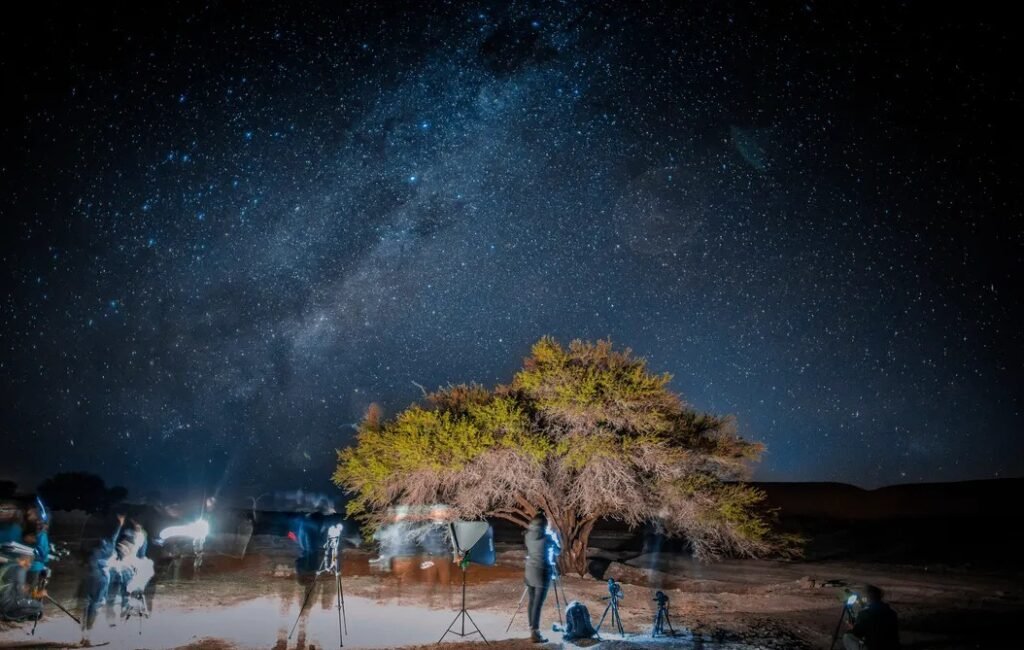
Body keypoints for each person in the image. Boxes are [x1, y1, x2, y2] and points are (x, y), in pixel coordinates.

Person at [524, 512, 557, 643]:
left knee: (532, 602)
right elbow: (558, 550)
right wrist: (554, 537)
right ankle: (535, 633)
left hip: (529, 571)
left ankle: (532, 629)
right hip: (542, 572)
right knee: (538, 603)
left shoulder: (527, 535)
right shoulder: (547, 537)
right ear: (544, 524)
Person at [844, 584, 900, 650]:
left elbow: (858, 633)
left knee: (847, 637)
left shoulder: (865, 614)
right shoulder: (892, 613)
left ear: (868, 598)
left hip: (874, 647)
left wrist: (852, 627)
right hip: (891, 646)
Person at [0, 544, 43, 622]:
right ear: (26, 560)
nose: (30, 564)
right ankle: (8, 616)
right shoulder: (20, 570)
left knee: (28, 599)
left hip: (3, 598)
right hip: (5, 603)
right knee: (39, 605)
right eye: (30, 561)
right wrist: (36, 595)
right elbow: (19, 595)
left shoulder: (11, 565)